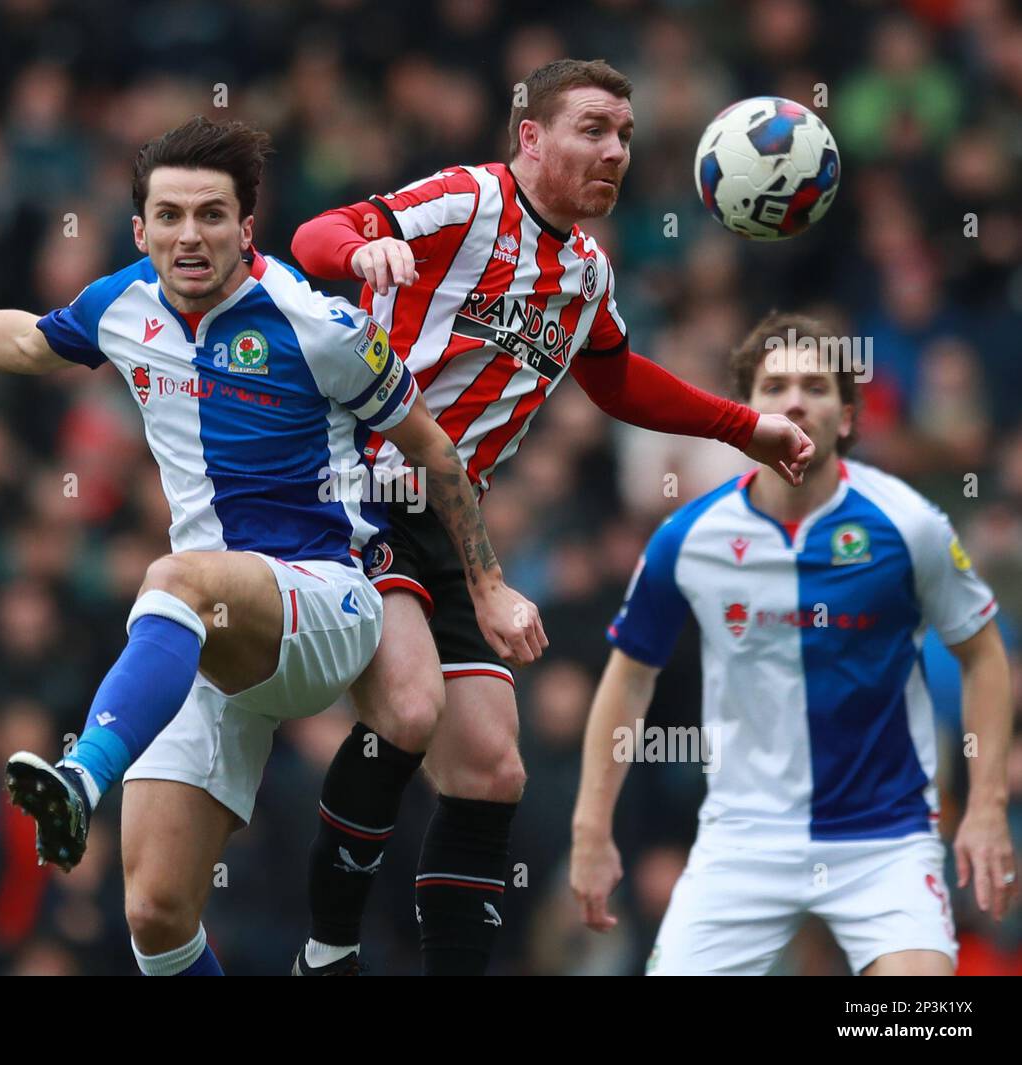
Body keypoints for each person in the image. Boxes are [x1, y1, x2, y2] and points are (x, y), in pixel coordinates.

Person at [0, 116, 545, 976]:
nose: (189, 235)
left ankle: (81, 779)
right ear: (139, 229)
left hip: (323, 598)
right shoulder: (122, 304)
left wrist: (485, 582)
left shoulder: (317, 322)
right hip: (198, 632)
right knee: (155, 914)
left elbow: (433, 451)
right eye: (170, 215)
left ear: (246, 227)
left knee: (174, 576)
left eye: (211, 214)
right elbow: (25, 341)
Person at [287, 58, 813, 974]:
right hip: (357, 486)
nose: (615, 151)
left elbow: (613, 379)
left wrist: (747, 427)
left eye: (625, 137)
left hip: (456, 524)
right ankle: (325, 953)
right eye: (594, 129)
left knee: (493, 769)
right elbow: (315, 233)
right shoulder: (467, 200)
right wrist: (358, 252)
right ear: (530, 137)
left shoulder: (585, 271)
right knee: (410, 710)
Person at [569, 311, 1018, 975]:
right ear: (742, 413)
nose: (796, 401)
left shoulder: (910, 524)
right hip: (743, 840)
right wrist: (590, 828)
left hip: (886, 838)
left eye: (816, 385)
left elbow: (983, 655)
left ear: (847, 417)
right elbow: (630, 678)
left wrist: (984, 808)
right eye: (775, 387)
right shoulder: (688, 536)